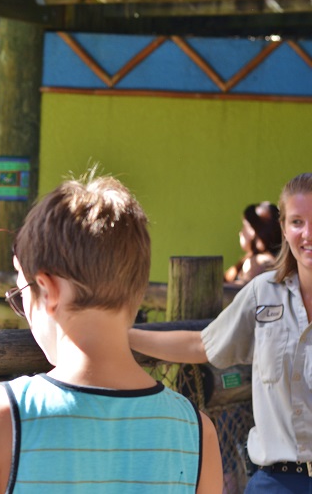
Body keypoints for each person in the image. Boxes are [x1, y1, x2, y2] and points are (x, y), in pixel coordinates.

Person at [0, 172, 223, 493]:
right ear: (138, 290)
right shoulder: (197, 431)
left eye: (20, 293)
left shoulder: (0, 415)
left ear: (49, 291)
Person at [130, 172, 312, 494]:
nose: (307, 233)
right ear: (284, 229)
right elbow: (202, 344)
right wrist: (123, 336)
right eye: (297, 222)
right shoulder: (263, 294)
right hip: (273, 482)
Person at [224, 201, 282, 285]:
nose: (240, 232)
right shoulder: (269, 260)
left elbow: (244, 294)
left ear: (253, 231)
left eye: (244, 226)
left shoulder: (258, 263)